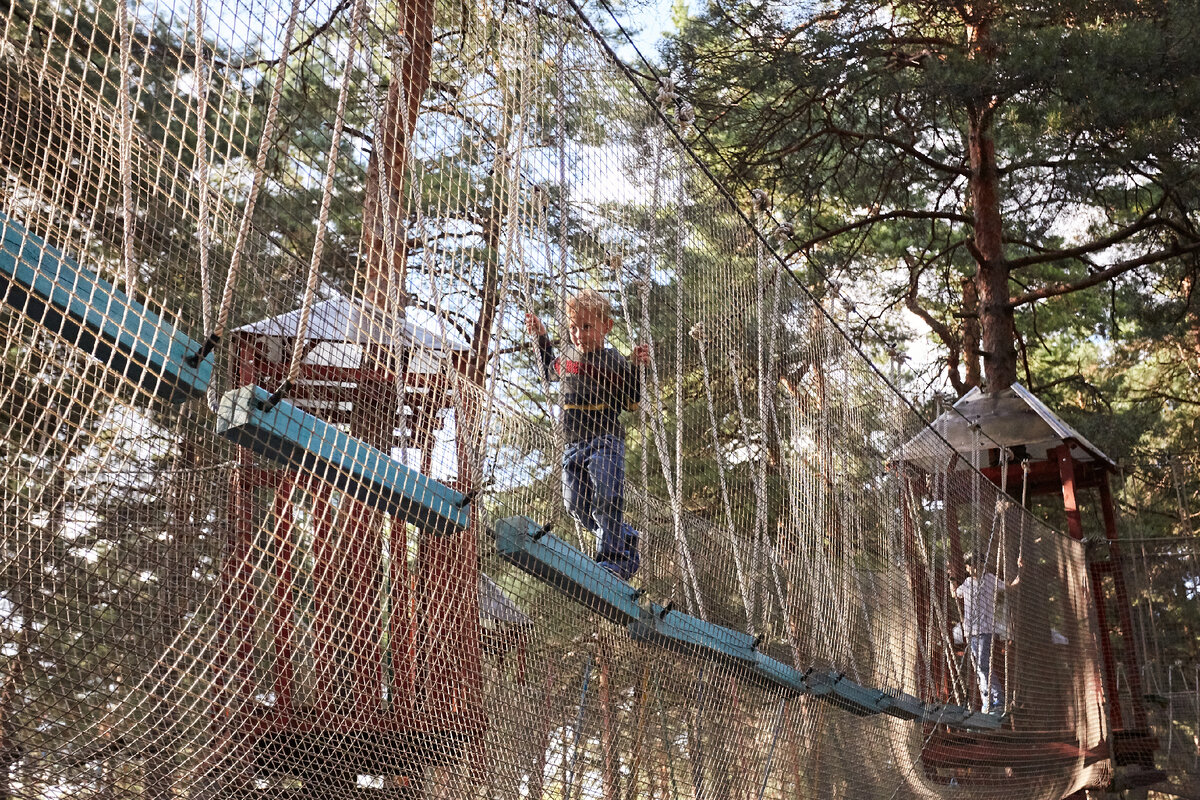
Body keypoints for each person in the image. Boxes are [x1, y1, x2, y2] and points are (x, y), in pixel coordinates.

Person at [525, 290, 650, 579]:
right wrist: (542, 337)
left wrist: (637, 370)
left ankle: (614, 561)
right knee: (575, 506)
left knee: (607, 497)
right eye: (573, 327)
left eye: (586, 326)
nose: (578, 334)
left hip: (605, 440)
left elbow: (630, 402)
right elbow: (548, 371)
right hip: (573, 444)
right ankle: (624, 535)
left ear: (606, 327)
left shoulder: (615, 361)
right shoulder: (568, 356)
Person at [954, 553, 1020, 713]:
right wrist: (951, 577)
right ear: (968, 568)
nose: (977, 567)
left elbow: (1010, 587)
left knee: (982, 666)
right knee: (980, 667)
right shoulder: (967, 583)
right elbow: (955, 593)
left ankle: (997, 699)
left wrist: (1020, 570)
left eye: (980, 564)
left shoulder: (990, 579)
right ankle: (988, 701)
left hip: (986, 630)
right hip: (971, 632)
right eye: (973, 564)